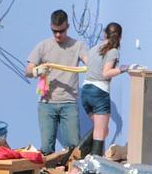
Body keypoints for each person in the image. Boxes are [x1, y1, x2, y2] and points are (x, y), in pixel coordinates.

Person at [25, 9, 86, 154]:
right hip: (46, 103)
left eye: (62, 31)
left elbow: (89, 63)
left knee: (74, 147)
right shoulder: (43, 46)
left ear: (68, 26)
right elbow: (27, 71)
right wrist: (37, 71)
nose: (58, 35)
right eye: (54, 31)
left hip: (69, 102)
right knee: (46, 148)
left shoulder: (78, 46)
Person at [80, 22, 131, 158]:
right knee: (100, 132)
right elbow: (106, 73)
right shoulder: (113, 51)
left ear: (104, 34)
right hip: (99, 92)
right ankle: (94, 165)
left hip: (86, 92)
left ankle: (80, 152)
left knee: (102, 129)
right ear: (120, 37)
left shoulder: (94, 49)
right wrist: (123, 68)